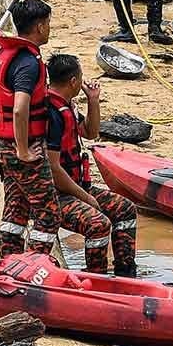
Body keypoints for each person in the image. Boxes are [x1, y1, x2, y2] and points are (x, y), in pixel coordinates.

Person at [45, 55, 138, 277]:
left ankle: (125, 273)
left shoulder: (67, 105)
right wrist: (86, 198)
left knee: (126, 209)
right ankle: (95, 278)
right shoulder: (52, 114)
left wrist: (93, 101)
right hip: (57, 194)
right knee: (98, 224)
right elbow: (53, 169)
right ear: (73, 81)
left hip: (77, 186)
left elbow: (90, 132)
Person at [0, 0, 59, 259]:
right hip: (22, 145)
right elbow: (20, 108)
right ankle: (36, 262)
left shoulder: (4, 54)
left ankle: (9, 258)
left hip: (3, 141)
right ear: (39, 27)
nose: (50, 28)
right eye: (48, 23)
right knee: (48, 211)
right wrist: (23, 150)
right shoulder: (28, 63)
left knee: (16, 203)